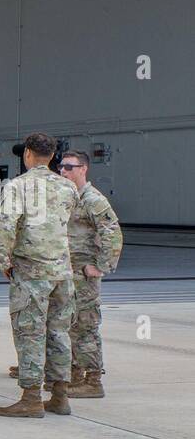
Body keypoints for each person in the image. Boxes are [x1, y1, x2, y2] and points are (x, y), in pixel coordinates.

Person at [0, 133, 79, 417]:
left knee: (30, 333)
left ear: (27, 154)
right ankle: (60, 395)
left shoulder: (18, 186)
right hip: (62, 272)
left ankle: (31, 397)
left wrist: (3, 260)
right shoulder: (68, 188)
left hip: (31, 271)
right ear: (53, 156)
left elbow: (7, 225)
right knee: (59, 332)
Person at [60, 150, 123, 397]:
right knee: (69, 325)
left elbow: (113, 232)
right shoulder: (69, 197)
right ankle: (75, 375)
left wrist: (100, 266)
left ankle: (93, 380)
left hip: (84, 275)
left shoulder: (93, 199)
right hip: (68, 273)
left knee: (85, 326)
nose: (63, 171)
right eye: (61, 167)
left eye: (69, 167)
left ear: (83, 169)